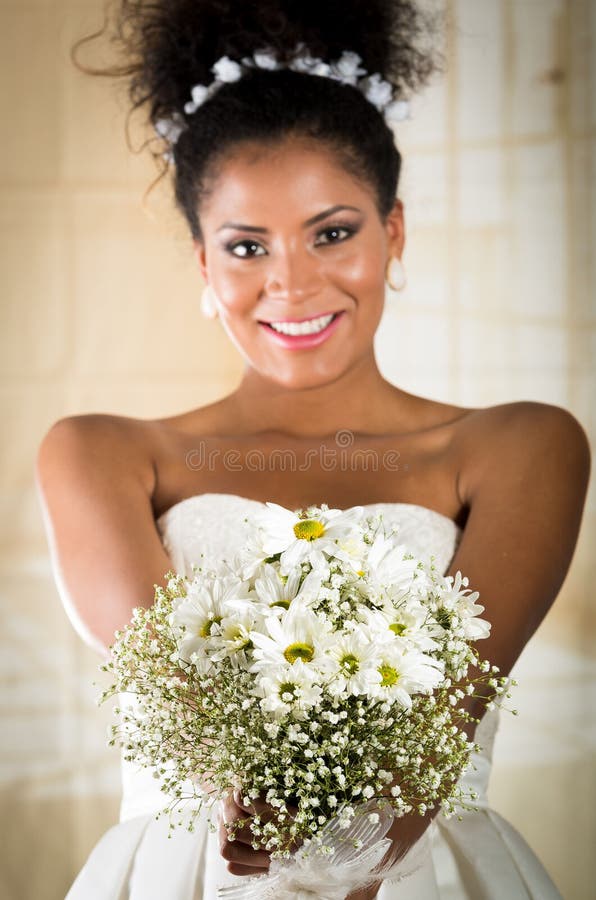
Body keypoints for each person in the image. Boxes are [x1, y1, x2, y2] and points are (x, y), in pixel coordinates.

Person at [36, 1, 591, 897]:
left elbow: (445, 720)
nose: (291, 284)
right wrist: (258, 812)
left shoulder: (522, 444)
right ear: (204, 267)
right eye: (246, 246)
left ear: (393, 233)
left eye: (332, 233)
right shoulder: (99, 454)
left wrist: (354, 848)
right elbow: (180, 700)